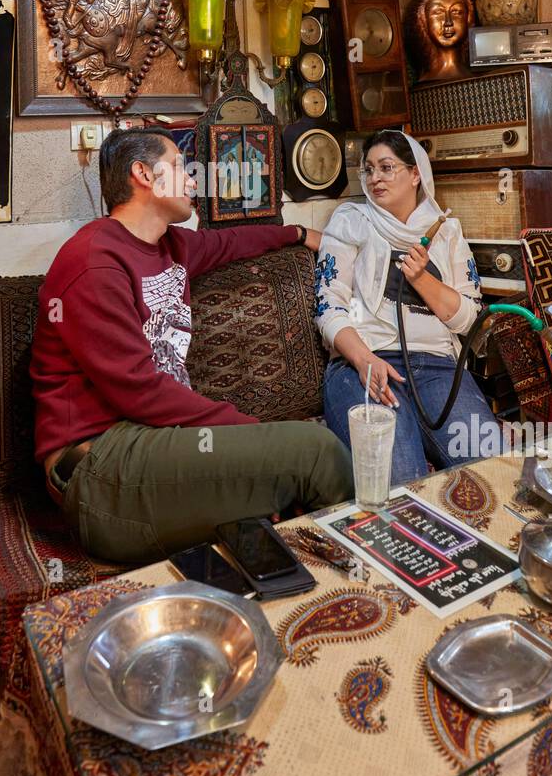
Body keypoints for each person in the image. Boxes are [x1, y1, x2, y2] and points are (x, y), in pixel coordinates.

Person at [31, 128, 354, 564]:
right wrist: (250, 431)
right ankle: (375, 574)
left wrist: (299, 233)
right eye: (180, 166)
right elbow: (140, 391)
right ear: (143, 174)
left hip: (156, 444)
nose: (192, 179)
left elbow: (233, 242)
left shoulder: (172, 245)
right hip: (99, 469)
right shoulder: (93, 262)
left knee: (285, 485)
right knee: (317, 452)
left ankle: (322, 570)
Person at [316, 129, 494, 482]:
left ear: (415, 174)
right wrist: (364, 360)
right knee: (400, 478)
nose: (375, 178)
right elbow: (328, 306)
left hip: (438, 367)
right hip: (364, 366)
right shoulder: (351, 220)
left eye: (386, 167)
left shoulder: (447, 231)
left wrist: (421, 279)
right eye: (369, 170)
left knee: (490, 467)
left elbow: (469, 319)